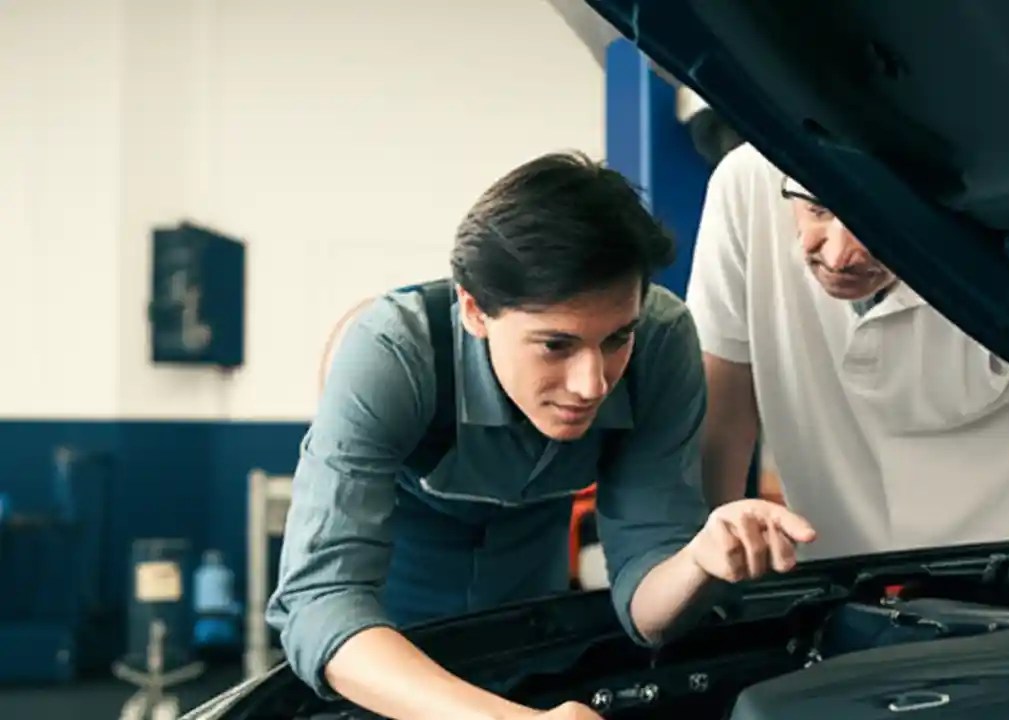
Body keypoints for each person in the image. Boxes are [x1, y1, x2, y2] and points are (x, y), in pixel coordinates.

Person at [268, 151, 818, 720]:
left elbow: (646, 600)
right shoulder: (393, 351)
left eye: (615, 339)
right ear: (475, 310)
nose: (592, 384)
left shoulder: (660, 342)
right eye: (556, 345)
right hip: (388, 659)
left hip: (536, 647)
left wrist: (698, 560)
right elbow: (319, 602)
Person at [685, 143, 1009, 562]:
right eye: (818, 209)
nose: (839, 255)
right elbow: (723, 415)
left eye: (873, 222)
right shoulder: (746, 183)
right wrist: (718, 576)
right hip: (832, 579)